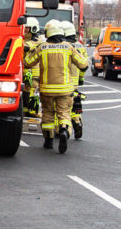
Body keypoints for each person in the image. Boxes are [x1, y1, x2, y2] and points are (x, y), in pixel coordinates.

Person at [36, 20, 88, 154]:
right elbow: (83, 64)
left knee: (47, 114)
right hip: (65, 89)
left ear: (48, 33)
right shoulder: (68, 47)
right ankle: (64, 130)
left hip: (46, 89)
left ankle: (48, 141)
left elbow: (28, 62)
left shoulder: (42, 47)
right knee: (64, 113)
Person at [21, 17, 43, 121]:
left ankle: (34, 111)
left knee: (32, 93)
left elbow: (28, 46)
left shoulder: (37, 41)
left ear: (33, 29)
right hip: (24, 72)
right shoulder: (24, 39)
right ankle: (26, 111)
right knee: (25, 93)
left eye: (27, 28)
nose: (25, 30)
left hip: (33, 73)